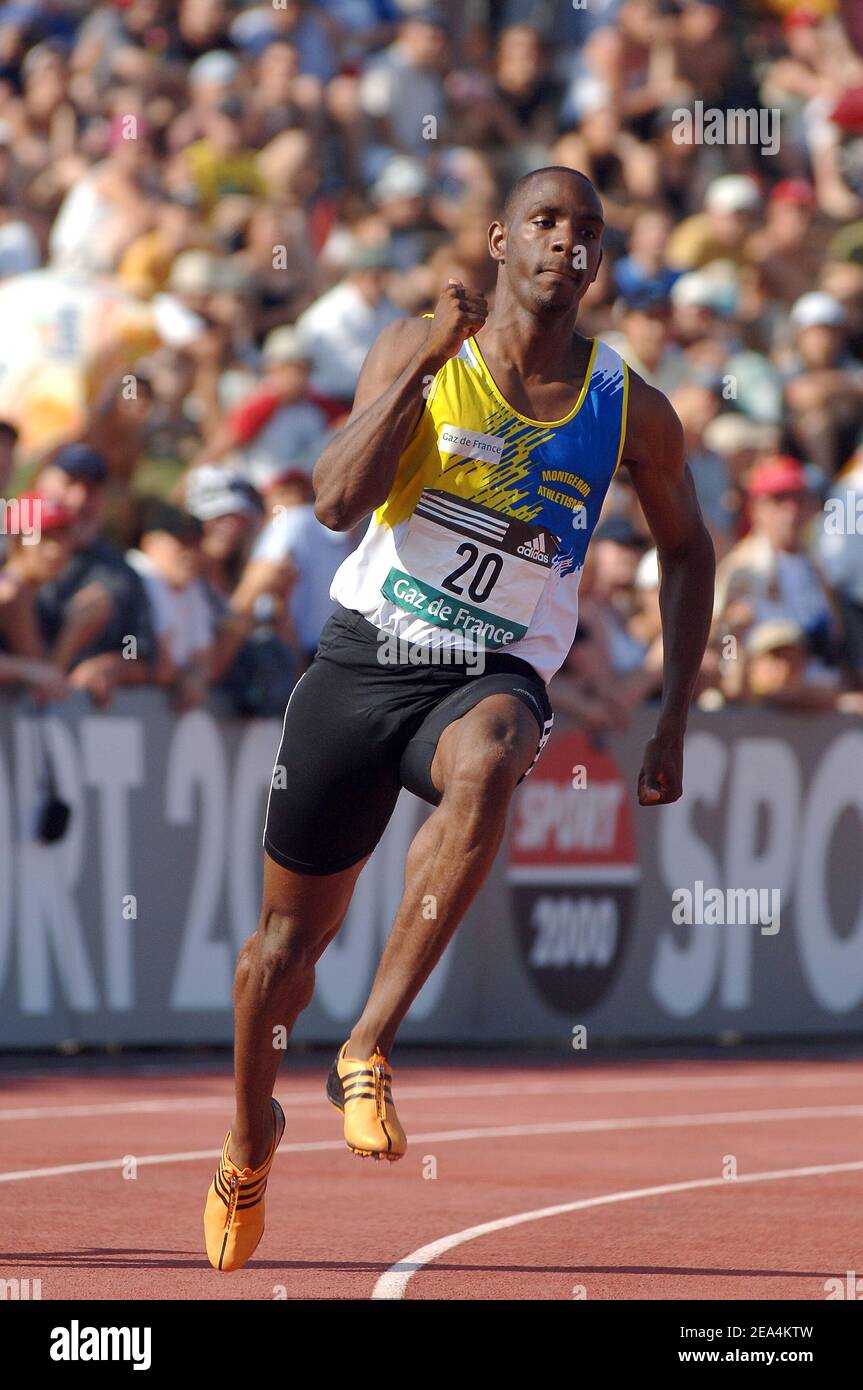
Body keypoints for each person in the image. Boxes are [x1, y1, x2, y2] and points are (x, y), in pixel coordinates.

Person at [202, 165, 715, 1273]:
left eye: (586, 230)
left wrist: (673, 712)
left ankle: (368, 1046)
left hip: (486, 672)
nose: (563, 245)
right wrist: (424, 368)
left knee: (492, 758)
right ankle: (250, 1134)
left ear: (599, 257)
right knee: (276, 956)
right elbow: (335, 502)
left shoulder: (626, 404)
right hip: (361, 660)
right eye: (543, 222)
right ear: (497, 238)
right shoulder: (417, 347)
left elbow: (686, 547)